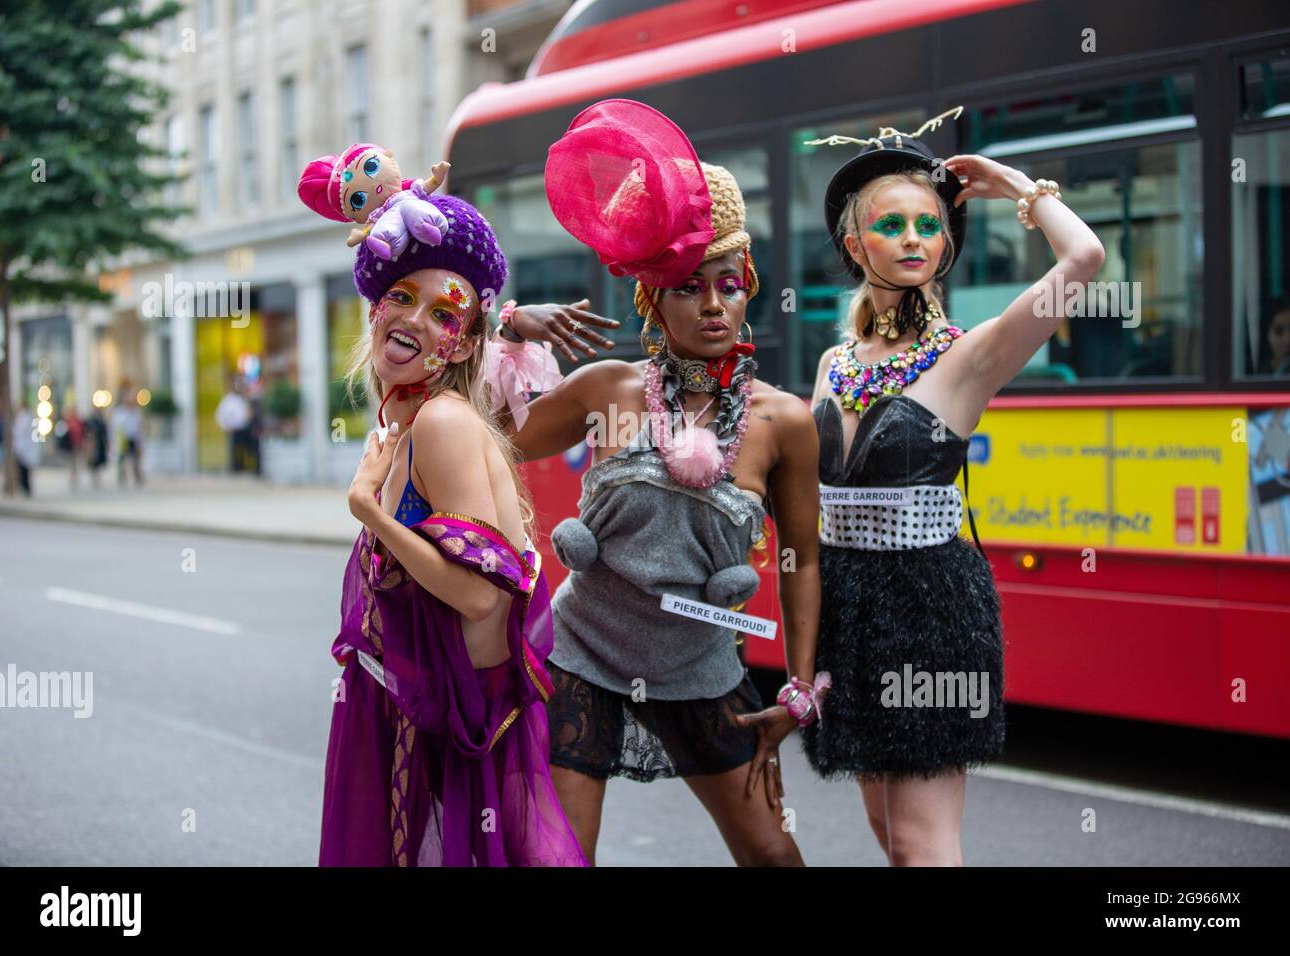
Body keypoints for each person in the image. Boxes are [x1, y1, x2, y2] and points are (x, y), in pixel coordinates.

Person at [490, 100, 821, 866]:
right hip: (582, 654)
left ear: (750, 287)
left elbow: (806, 558)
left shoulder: (784, 422)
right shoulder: (607, 390)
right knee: (556, 860)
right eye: (688, 287)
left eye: (730, 284)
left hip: (701, 667)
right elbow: (481, 445)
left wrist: (799, 689)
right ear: (651, 297)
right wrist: (506, 329)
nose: (714, 304)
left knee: (775, 858)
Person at [803, 111, 1105, 865]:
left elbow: (1085, 259)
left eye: (928, 226)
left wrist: (1013, 188)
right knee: (883, 830)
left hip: (929, 607)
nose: (912, 238)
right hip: (847, 609)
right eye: (892, 224)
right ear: (853, 245)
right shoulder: (833, 363)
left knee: (919, 843)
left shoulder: (972, 355)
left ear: (945, 245)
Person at [319, 192, 588, 867]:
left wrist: (369, 509)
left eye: (444, 314)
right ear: (376, 307)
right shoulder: (410, 420)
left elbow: (480, 595)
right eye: (402, 296)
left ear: (465, 341)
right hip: (423, 713)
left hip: (455, 731)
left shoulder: (440, 422)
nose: (412, 319)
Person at [110, 388, 144, 487]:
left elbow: (139, 429)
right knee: (121, 460)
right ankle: (122, 480)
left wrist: (141, 443)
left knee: (135, 461)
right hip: (122, 440)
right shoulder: (118, 412)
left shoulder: (136, 412)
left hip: (133, 439)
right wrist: (112, 441)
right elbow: (113, 428)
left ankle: (137, 478)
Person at [11, 402, 39, 496]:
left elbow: (18, 431)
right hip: (24, 448)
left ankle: (26, 488)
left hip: (24, 448)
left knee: (24, 470)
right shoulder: (27, 417)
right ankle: (25, 487)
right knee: (24, 470)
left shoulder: (24, 417)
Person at [84, 404, 109, 488]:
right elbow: (89, 432)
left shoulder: (101, 420)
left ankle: (98, 478)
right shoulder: (92, 420)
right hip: (94, 443)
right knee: (94, 461)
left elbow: (105, 433)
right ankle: (95, 478)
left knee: (99, 461)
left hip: (100, 443)